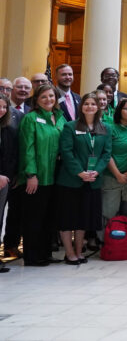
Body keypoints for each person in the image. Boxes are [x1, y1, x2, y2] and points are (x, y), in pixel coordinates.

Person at [55, 92, 110, 265]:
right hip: (71, 180)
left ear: (98, 107)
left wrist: (96, 172)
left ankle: (79, 252)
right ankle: (69, 253)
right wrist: (80, 172)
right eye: (86, 104)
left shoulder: (104, 128)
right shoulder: (70, 127)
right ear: (81, 107)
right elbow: (67, 152)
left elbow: (106, 154)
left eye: (93, 104)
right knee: (67, 218)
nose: (90, 107)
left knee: (83, 218)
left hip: (93, 180)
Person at [18, 84, 65, 266]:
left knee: (49, 218)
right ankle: (32, 256)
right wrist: (31, 175)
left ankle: (46, 253)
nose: (48, 100)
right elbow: (27, 148)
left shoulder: (60, 119)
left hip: (56, 177)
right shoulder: (31, 119)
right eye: (43, 97)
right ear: (36, 100)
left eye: (51, 96)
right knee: (34, 218)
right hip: (37, 177)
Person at [0, 95, 15, 272]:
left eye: (4, 107)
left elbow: (11, 157)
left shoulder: (8, 129)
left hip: (4, 181)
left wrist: (5, 176)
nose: (2, 110)